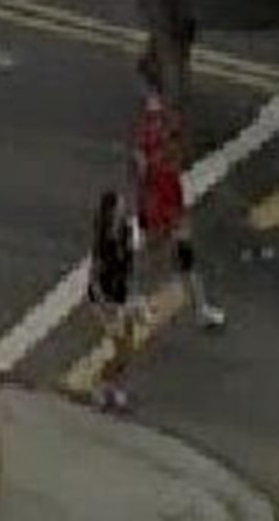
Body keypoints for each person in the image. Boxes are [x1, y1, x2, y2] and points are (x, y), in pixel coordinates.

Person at [131, 93, 225, 329]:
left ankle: (201, 309)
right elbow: (142, 173)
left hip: (170, 202)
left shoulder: (164, 135)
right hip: (159, 204)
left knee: (182, 255)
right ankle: (135, 300)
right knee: (158, 255)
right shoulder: (150, 139)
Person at [87, 189, 137, 412]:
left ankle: (113, 385)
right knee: (120, 348)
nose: (124, 210)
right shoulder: (104, 241)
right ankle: (101, 384)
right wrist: (103, 303)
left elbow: (129, 268)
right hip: (104, 299)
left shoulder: (126, 234)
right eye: (120, 207)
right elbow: (94, 276)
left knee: (128, 346)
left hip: (121, 295)